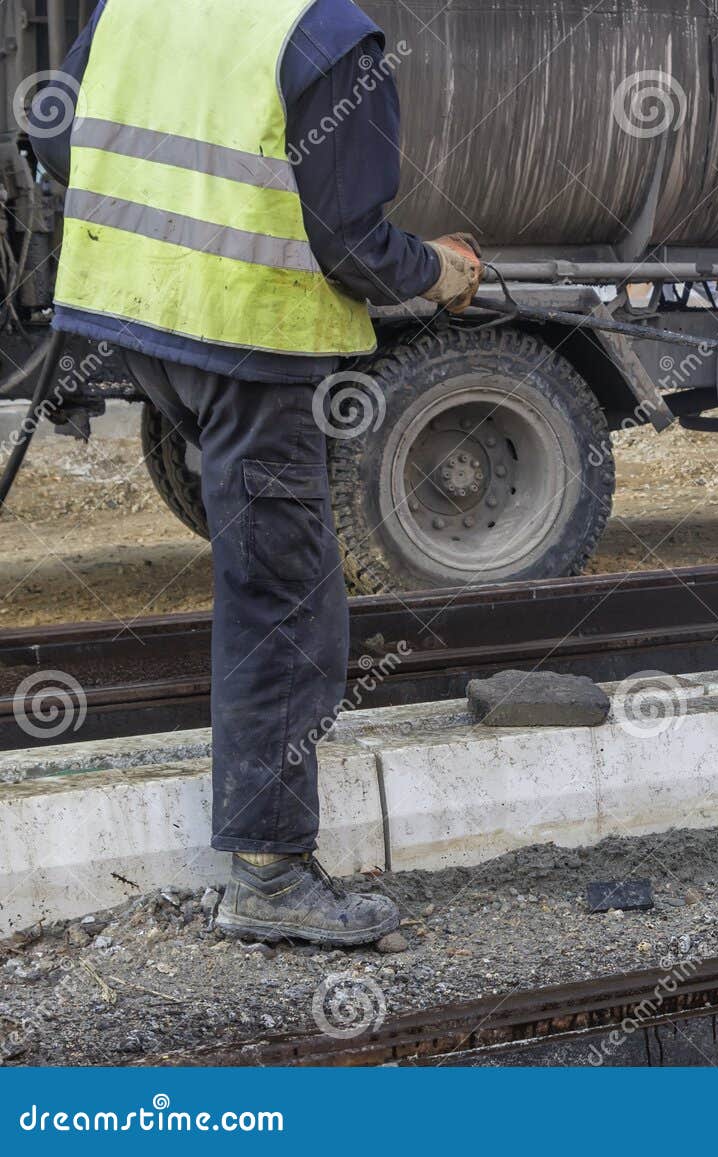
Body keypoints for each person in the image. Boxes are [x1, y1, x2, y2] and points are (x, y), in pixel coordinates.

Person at [32, 0, 482, 946]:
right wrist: (440, 272)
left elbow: (60, 140)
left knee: (265, 573)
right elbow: (350, 245)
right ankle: (269, 874)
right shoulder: (325, 40)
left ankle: (266, 857)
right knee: (284, 596)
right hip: (250, 340)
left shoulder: (137, 8)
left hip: (144, 323)